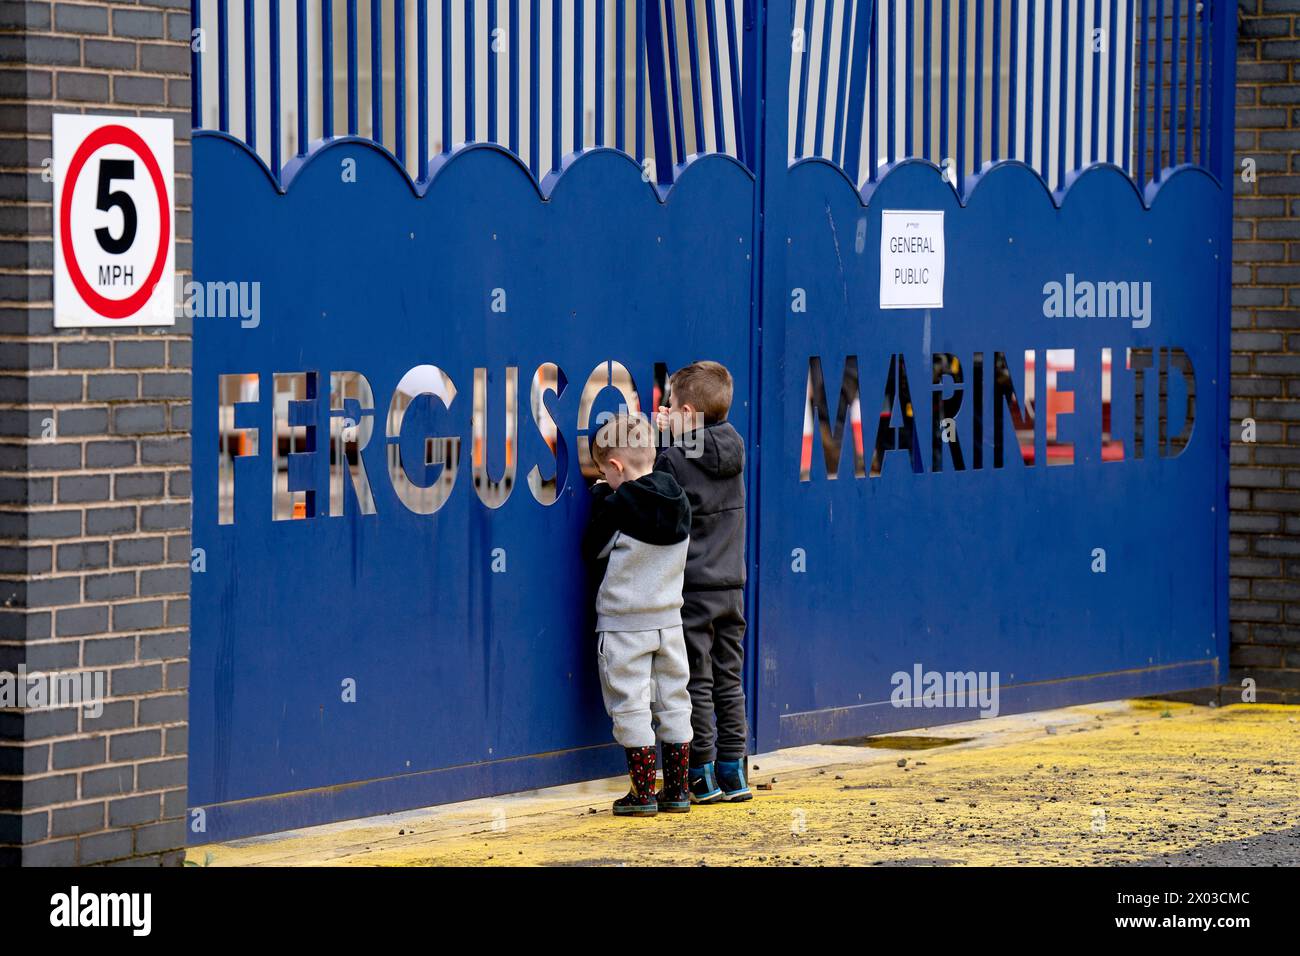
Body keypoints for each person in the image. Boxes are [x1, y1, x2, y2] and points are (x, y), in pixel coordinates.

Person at [583, 412, 694, 816]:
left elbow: (592, 549)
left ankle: (643, 792)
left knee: (630, 704)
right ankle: (678, 790)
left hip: (625, 626)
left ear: (616, 467)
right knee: (674, 702)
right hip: (670, 624)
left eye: (604, 474)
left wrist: (601, 499)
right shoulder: (679, 500)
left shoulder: (617, 507)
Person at [654, 361, 752, 803]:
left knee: (697, 680)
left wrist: (665, 443)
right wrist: (677, 431)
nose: (663, 409)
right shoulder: (736, 447)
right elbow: (703, 451)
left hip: (693, 588)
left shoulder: (674, 457)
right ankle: (735, 772)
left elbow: (664, 496)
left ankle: (701, 772)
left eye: (670, 405)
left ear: (688, 412)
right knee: (729, 678)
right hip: (732, 585)